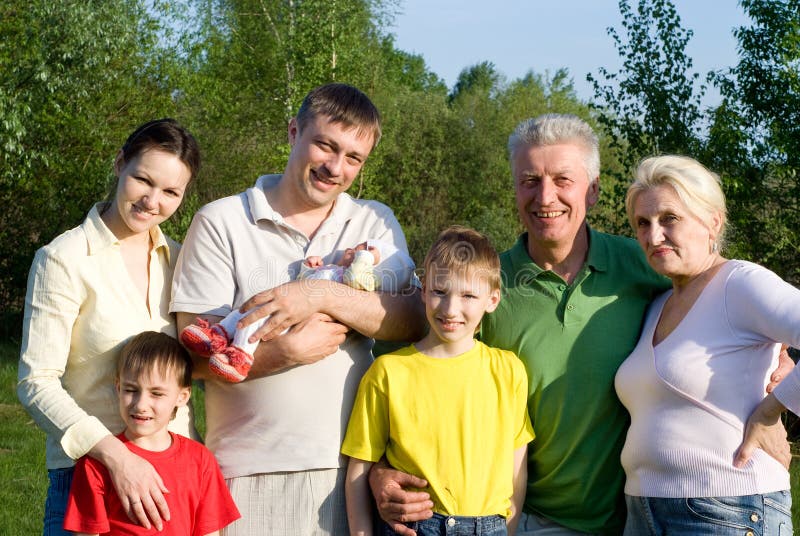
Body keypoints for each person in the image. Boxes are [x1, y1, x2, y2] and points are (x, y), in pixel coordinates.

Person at [368, 114, 794, 535]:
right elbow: (411, 379)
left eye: (562, 180)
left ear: (592, 191)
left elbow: (725, 306)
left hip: (634, 515)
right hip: (526, 516)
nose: (545, 196)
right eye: (530, 181)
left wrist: (776, 378)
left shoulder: (643, 264)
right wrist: (380, 471)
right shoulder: (483, 288)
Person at [170, 83, 425, 535]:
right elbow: (188, 360)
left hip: (352, 473)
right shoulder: (221, 221)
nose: (335, 167)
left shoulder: (374, 222)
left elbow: (412, 320)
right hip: (246, 474)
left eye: (353, 158)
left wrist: (322, 296)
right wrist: (285, 353)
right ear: (293, 132)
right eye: (325, 145)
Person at [17, 118, 201, 535]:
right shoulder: (63, 259)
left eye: (171, 192)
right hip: (89, 479)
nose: (152, 201)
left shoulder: (180, 260)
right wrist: (117, 457)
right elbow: (36, 382)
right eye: (143, 179)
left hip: (173, 476)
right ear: (120, 164)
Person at [615, 155, 799, 535]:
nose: (653, 236)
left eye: (669, 218)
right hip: (642, 512)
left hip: (727, 510)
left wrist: (771, 409)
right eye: (642, 224)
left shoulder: (740, 283)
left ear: (712, 221)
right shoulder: (657, 305)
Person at [343, 226, 534, 536]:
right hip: (415, 527)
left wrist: (508, 529)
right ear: (423, 290)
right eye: (439, 292)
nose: (450, 309)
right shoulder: (388, 372)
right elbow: (359, 469)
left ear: (493, 299)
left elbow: (517, 466)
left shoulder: (509, 370)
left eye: (468, 295)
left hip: (491, 526)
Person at [63, 331, 241, 535]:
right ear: (118, 388)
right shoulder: (97, 463)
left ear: (182, 397)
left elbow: (209, 532)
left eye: (156, 393)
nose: (141, 405)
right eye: (131, 390)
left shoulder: (201, 461)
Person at [179, 240, 414, 382]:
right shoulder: (333, 269)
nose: (352, 249)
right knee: (245, 310)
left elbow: (354, 278)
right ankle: (217, 335)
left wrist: (366, 257)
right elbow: (304, 283)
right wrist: (309, 268)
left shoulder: (358, 281)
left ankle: (240, 355)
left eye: (359, 250)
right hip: (281, 301)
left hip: (289, 319)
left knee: (255, 321)